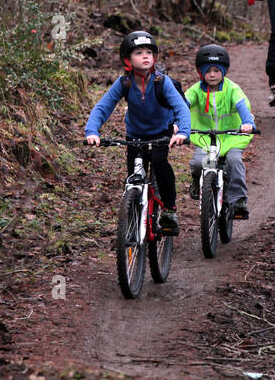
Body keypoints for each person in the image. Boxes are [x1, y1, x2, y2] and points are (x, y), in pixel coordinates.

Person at [85, 29, 190, 234]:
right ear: (127, 59)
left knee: (160, 163)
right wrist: (92, 131)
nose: (145, 56)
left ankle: (169, 209)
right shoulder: (123, 83)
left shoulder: (162, 82)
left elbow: (181, 107)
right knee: (133, 174)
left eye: (149, 53)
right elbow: (102, 108)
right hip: (135, 136)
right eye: (139, 52)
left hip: (162, 133)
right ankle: (133, 216)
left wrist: (182, 132)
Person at [185, 44, 255, 219]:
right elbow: (183, 104)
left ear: (224, 71)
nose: (212, 75)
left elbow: (242, 106)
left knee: (234, 161)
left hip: (231, 137)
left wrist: (247, 122)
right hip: (206, 137)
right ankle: (197, 180)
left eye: (217, 70)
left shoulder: (232, 89)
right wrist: (176, 122)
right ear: (201, 72)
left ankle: (238, 199)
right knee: (197, 162)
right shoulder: (195, 90)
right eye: (208, 71)